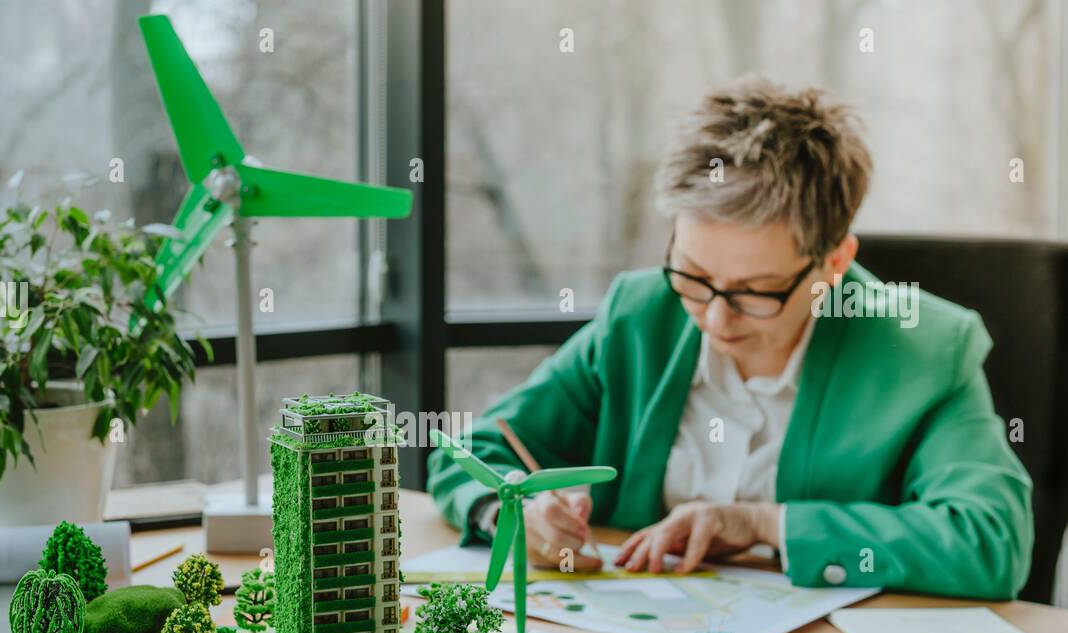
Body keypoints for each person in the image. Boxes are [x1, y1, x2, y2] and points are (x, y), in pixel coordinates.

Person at [427, 78, 1032, 600]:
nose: (715, 320)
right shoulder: (642, 317)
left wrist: (764, 525)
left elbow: (990, 541)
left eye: (755, 291)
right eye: (693, 275)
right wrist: (513, 509)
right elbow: (472, 454)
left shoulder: (925, 350)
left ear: (836, 261)